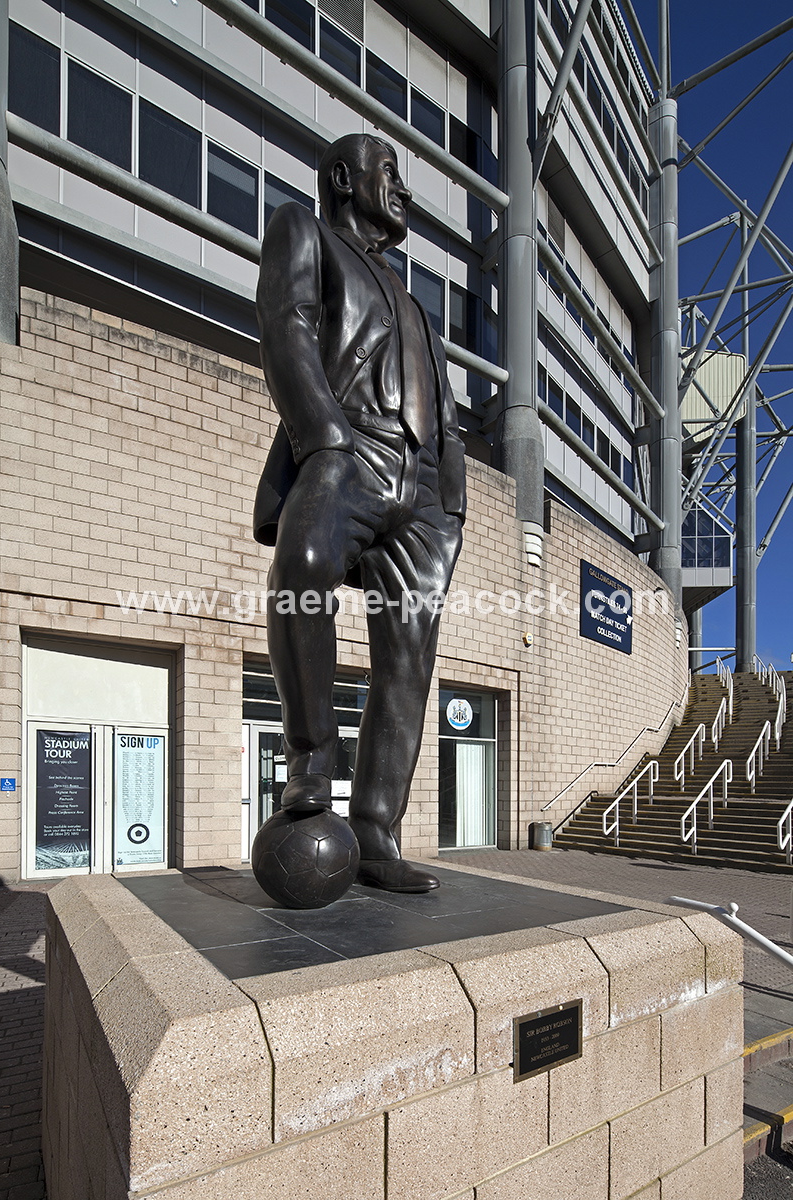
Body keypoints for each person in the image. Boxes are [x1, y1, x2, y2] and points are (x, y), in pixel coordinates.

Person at [253, 133, 466, 893]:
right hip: (351, 451)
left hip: (424, 487)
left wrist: (454, 496)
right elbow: (286, 329)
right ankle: (310, 760)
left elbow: (445, 407)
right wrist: (326, 443)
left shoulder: (414, 300)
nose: (402, 190)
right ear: (344, 179)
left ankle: (377, 830)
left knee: (408, 656)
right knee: (302, 566)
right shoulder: (301, 231)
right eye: (390, 174)